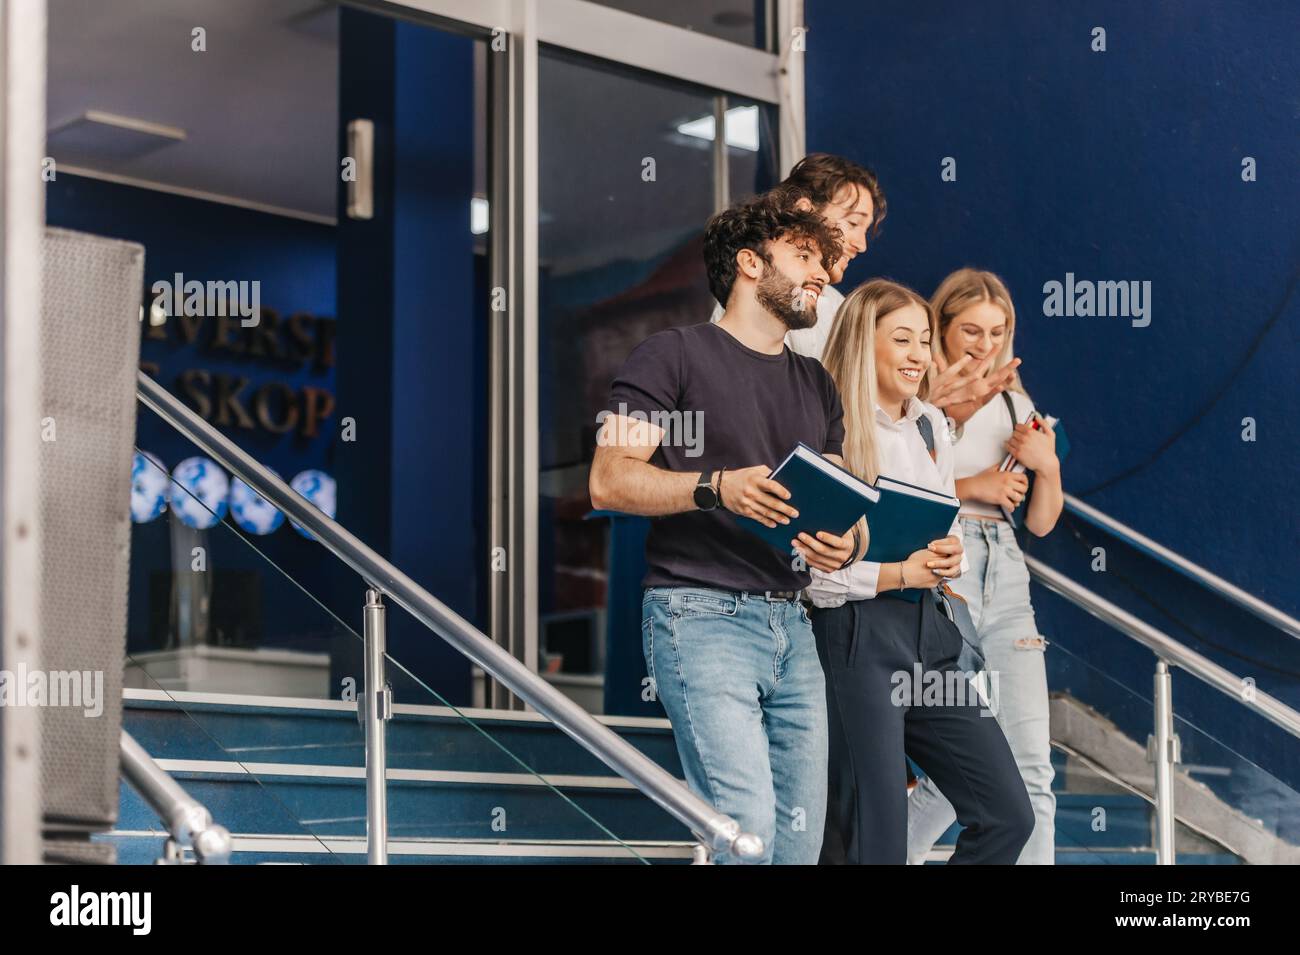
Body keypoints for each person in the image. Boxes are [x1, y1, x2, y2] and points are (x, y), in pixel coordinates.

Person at [589, 193, 864, 864]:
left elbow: (846, 514)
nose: (822, 273)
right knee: (747, 835)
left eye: (823, 261)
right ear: (750, 262)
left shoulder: (817, 382)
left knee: (800, 846)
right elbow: (608, 477)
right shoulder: (670, 354)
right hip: (700, 615)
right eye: (803, 256)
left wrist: (843, 540)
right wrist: (718, 488)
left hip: (793, 625)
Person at [805, 277, 1034, 864]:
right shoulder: (825, 426)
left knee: (1007, 814)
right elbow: (816, 577)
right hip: (856, 633)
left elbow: (947, 520)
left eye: (924, 341)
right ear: (863, 343)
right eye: (902, 339)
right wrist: (898, 573)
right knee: (873, 838)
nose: (920, 356)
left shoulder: (931, 424)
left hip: (933, 631)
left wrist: (948, 552)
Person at [906, 268, 1063, 865]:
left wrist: (1045, 465)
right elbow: (896, 482)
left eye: (998, 331)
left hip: (1008, 571)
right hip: (949, 564)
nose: (985, 344)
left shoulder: (1015, 400)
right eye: (970, 329)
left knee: (1032, 769)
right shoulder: (916, 391)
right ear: (940, 326)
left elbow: (1041, 521)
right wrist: (977, 481)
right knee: (958, 775)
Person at [710, 153, 886, 359]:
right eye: (853, 223)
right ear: (804, 210)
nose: (861, 245)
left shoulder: (839, 306)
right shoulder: (757, 293)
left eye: (865, 231)